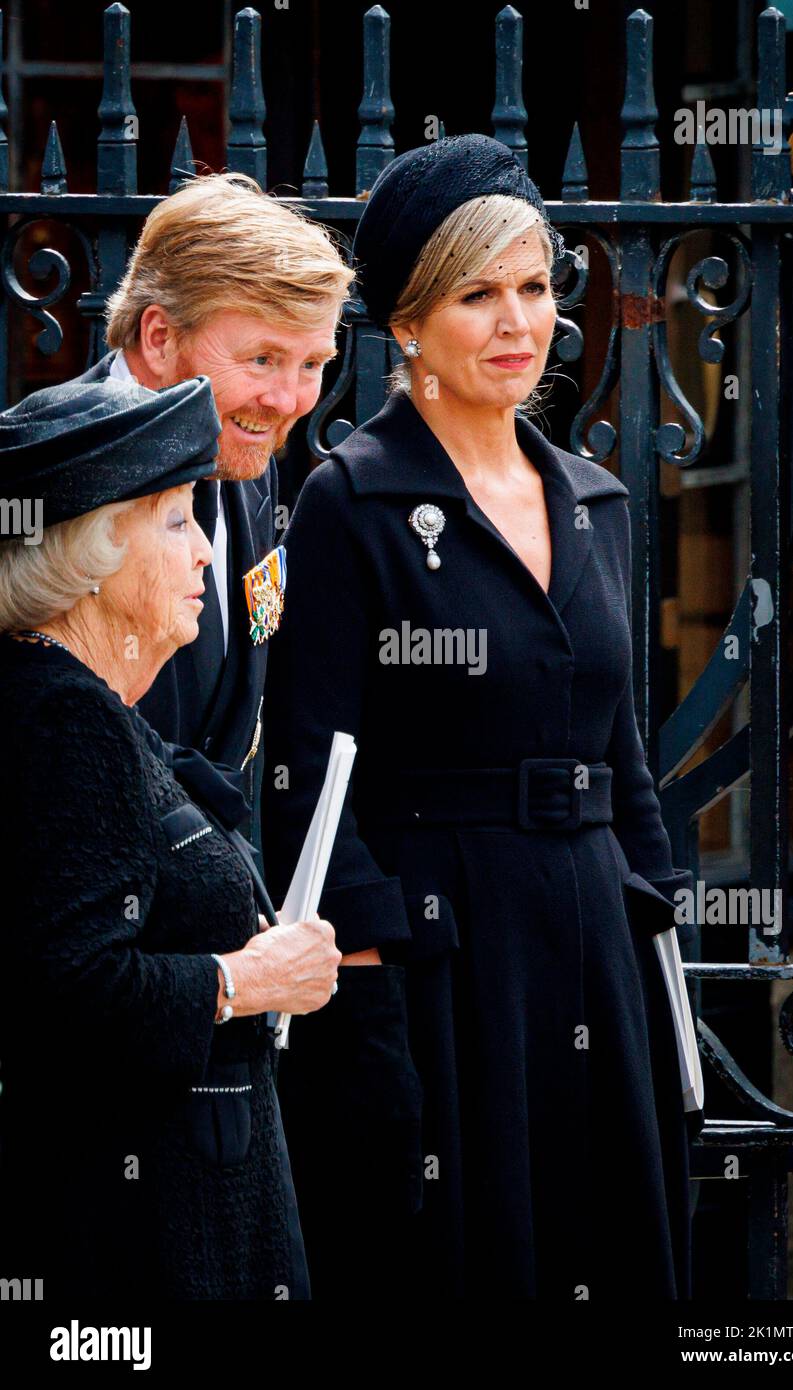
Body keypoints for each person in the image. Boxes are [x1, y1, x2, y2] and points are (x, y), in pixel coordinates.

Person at [261, 134, 700, 1300]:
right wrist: (371, 1002)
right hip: (444, 954)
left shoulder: (595, 497)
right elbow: (309, 773)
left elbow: (621, 750)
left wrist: (646, 921)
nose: (519, 322)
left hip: (593, 940)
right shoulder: (349, 499)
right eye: (476, 294)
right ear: (405, 324)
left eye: (534, 287)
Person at [0, 376, 341, 1301]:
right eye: (176, 525)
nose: (204, 557)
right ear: (93, 552)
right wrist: (249, 981)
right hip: (134, 1241)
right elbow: (65, 993)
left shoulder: (85, 709)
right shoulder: (64, 720)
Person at [75, 172, 354, 841]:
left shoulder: (246, 466)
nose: (288, 401)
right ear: (159, 337)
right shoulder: (56, 482)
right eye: (262, 359)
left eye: (312, 364)